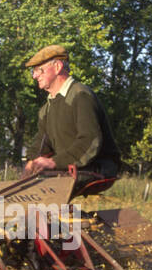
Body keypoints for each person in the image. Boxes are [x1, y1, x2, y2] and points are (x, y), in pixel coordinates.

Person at [22, 45, 120, 195]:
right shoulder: (46, 109)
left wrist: (53, 162)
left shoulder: (81, 95)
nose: (35, 76)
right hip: (70, 166)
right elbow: (41, 142)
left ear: (57, 67)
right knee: (27, 187)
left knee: (43, 188)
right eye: (33, 71)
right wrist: (31, 162)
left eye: (38, 70)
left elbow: (90, 140)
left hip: (97, 167)